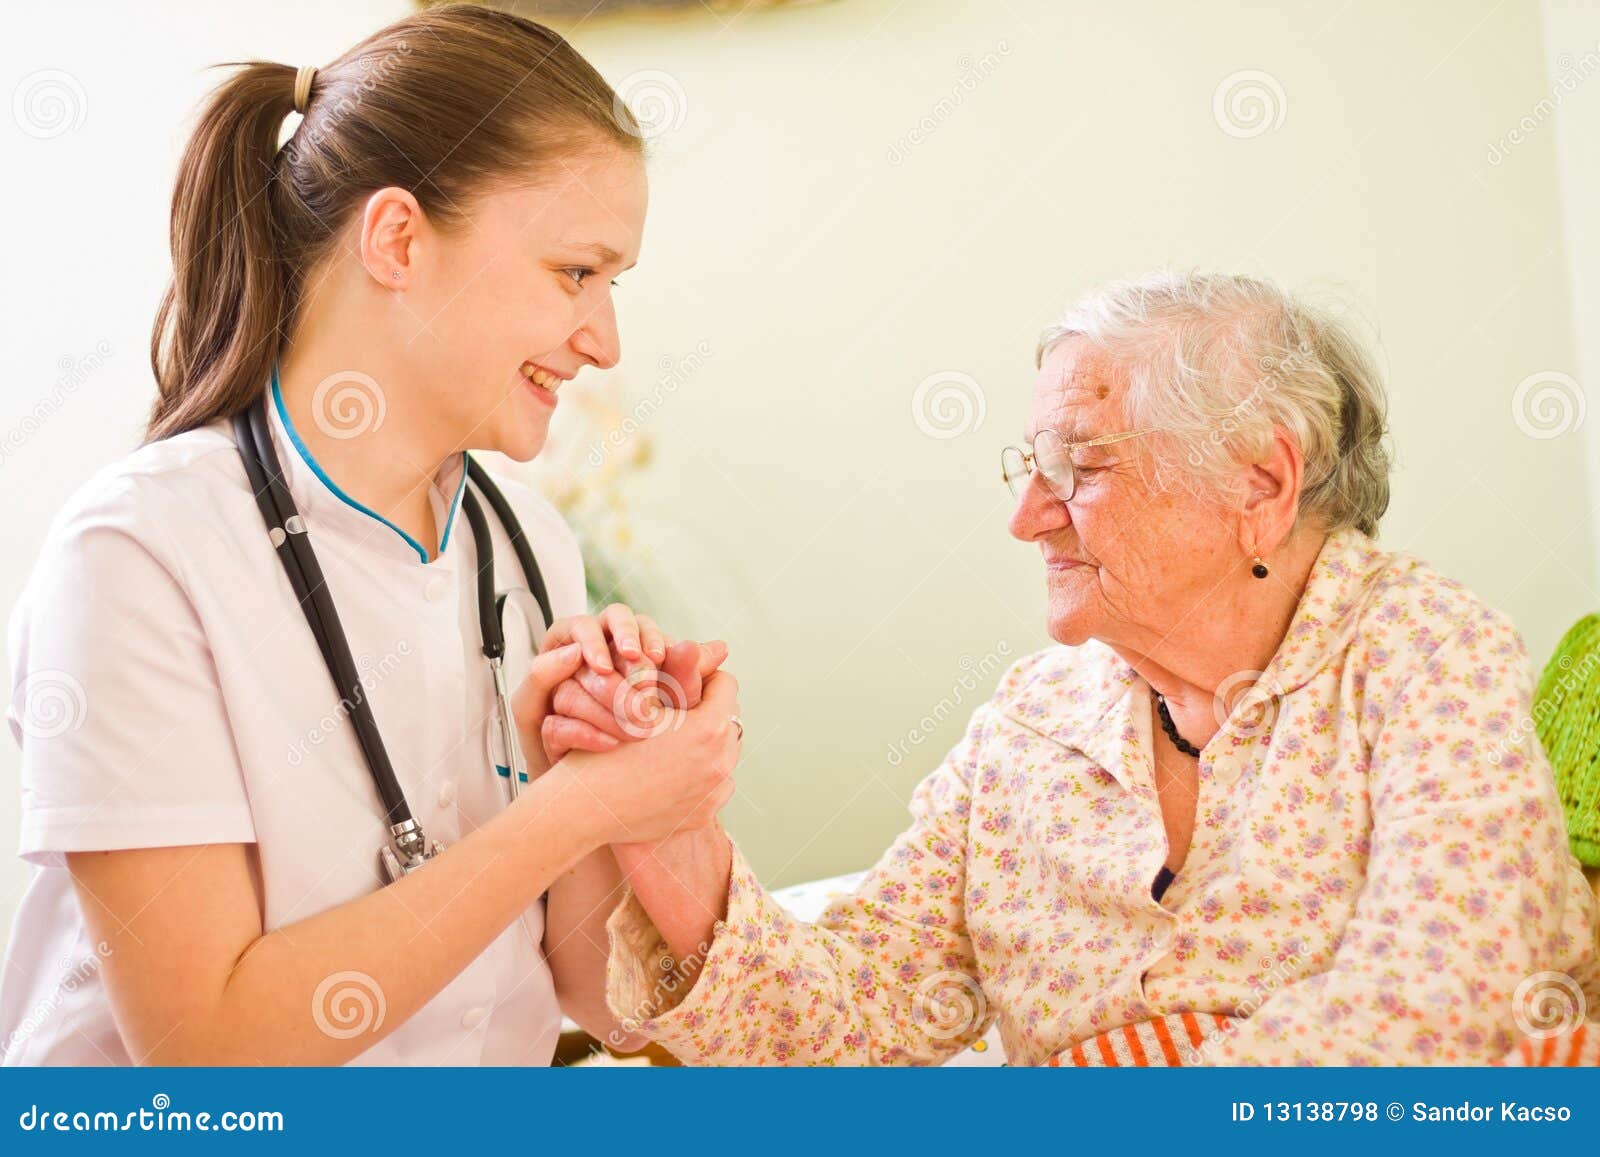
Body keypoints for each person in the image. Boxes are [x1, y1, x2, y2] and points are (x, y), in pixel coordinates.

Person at [559, 270, 1598, 1065]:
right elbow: (849, 1028)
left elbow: (1443, 1003)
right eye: (1032, 467)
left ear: (1262, 482)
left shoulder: (1425, 653)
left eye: (1081, 466)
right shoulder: (1033, 724)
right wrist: (666, 820)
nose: (1025, 519)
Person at [1, 4, 739, 1066]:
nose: (604, 339)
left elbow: (603, 1001)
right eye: (575, 272)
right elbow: (206, 1051)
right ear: (397, 239)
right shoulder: (136, 557)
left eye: (611, 284)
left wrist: (631, 779)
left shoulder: (526, 544)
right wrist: (573, 812)